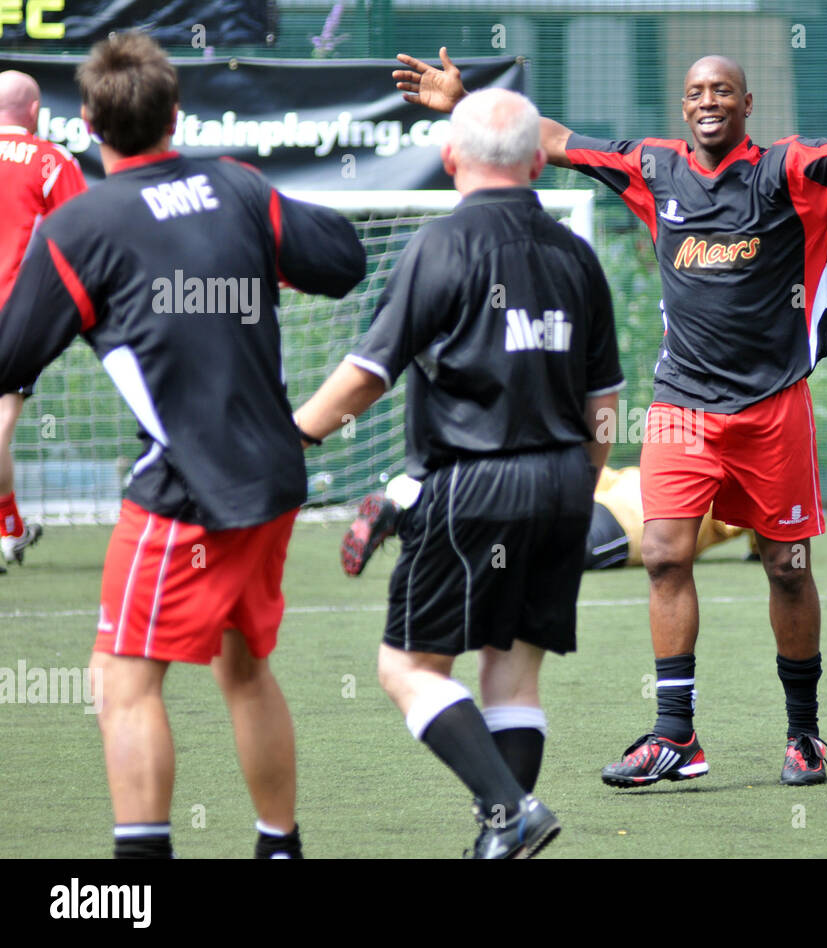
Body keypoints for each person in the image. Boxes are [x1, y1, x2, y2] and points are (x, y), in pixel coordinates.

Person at [394, 47, 827, 788]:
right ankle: (674, 737)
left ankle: (805, 734)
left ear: (747, 105)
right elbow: (552, 143)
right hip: (681, 404)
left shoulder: (786, 172)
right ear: (683, 107)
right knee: (662, 553)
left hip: (771, 407)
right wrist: (468, 105)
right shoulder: (652, 168)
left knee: (786, 568)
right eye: (695, 92)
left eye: (723, 90)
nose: (708, 100)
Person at [0, 32, 366, 857]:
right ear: (175, 113)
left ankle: (139, 876)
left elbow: (10, 357)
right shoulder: (238, 188)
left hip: (185, 494)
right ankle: (281, 848)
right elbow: (345, 260)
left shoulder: (81, 226)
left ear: (87, 121)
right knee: (244, 669)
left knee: (122, 682)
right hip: (275, 478)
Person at [294, 87, 623, 858]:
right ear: (539, 160)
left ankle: (511, 810)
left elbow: (369, 373)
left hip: (473, 486)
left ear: (450, 160)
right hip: (566, 484)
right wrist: (582, 481)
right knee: (512, 674)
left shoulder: (440, 244)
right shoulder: (576, 254)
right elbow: (604, 400)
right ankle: (500, 836)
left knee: (407, 667)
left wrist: (295, 435)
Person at [339, 465, 751, 576]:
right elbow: (760, 520)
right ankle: (429, 535)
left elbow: (593, 476)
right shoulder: (724, 497)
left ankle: (409, 500)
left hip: (602, 494)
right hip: (631, 529)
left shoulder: (654, 470)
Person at [0, 69, 88, 573]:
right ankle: (7, 530)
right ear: (34, 112)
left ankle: (9, 529)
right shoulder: (50, 160)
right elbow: (84, 234)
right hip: (17, 314)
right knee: (3, 422)